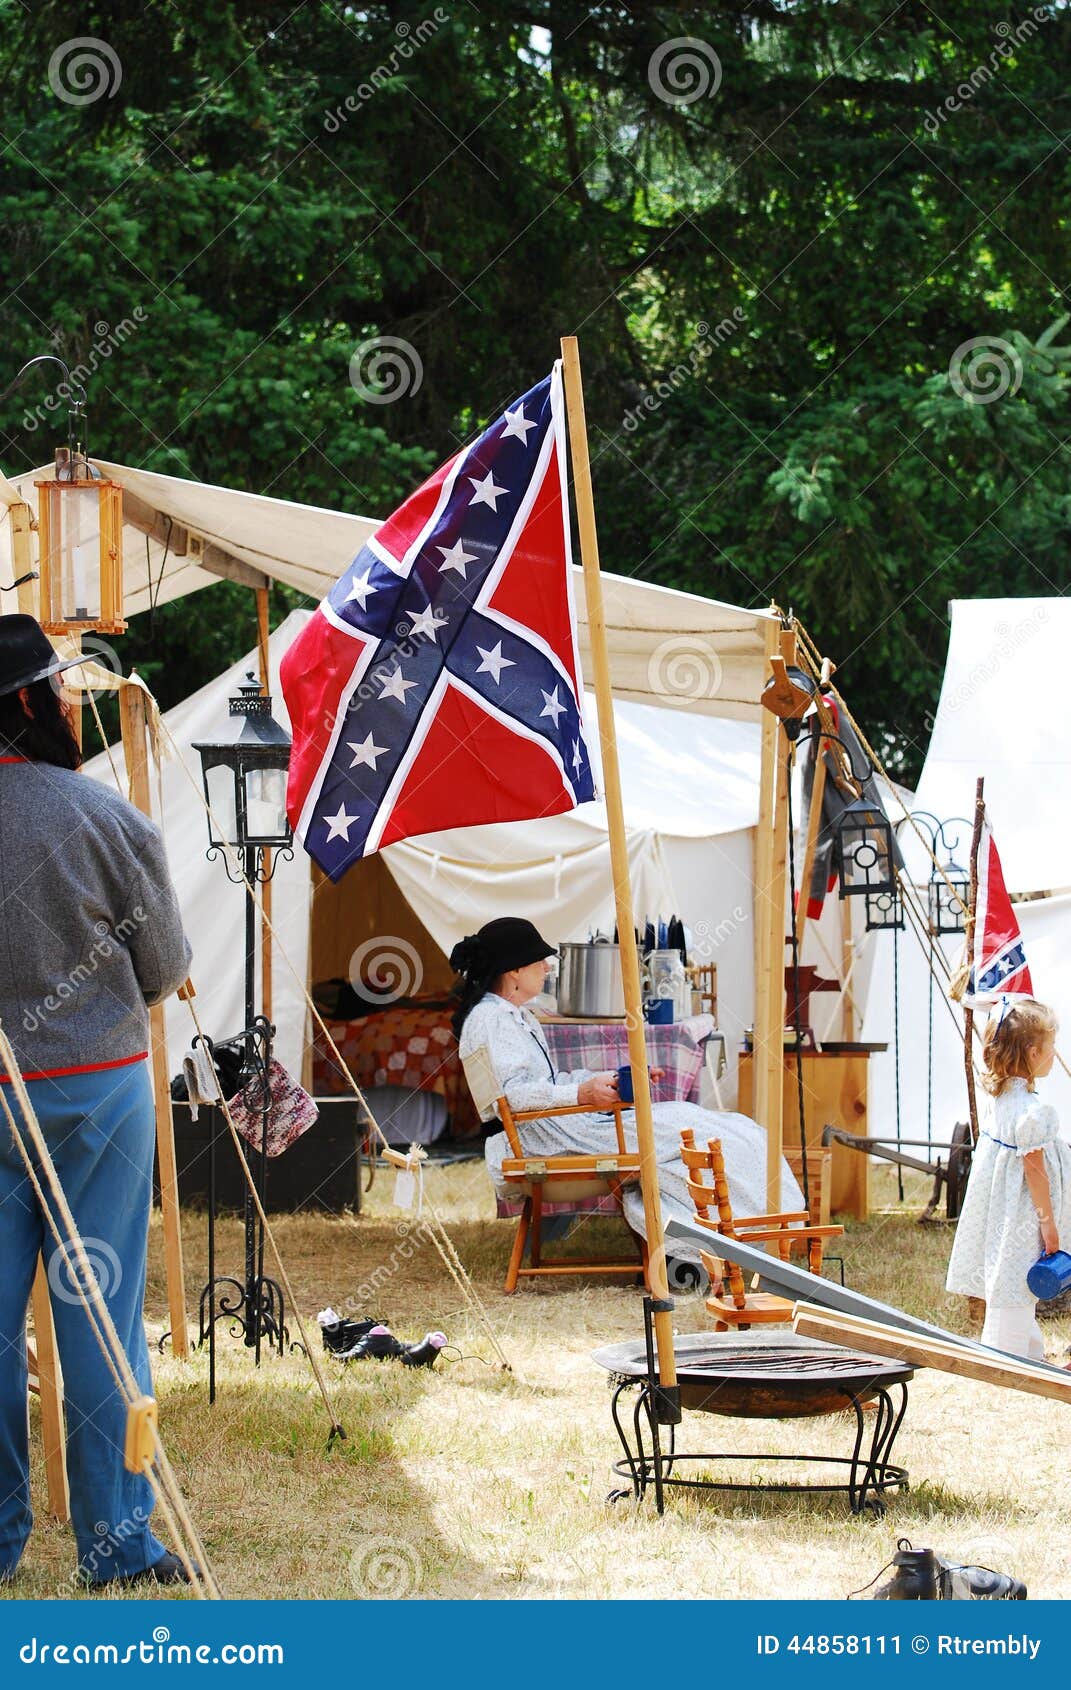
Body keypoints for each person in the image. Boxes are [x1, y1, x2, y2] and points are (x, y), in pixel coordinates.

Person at [0, 615, 193, 1588]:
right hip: (95, 1089)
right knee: (100, 1317)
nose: (74, 703)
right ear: (33, 701)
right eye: (64, 690)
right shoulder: (105, 815)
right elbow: (163, 968)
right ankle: (115, 1542)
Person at [451, 916, 805, 1270]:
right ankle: (722, 1244)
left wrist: (606, 1080)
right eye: (538, 960)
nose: (547, 966)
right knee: (689, 1134)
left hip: (557, 1127)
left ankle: (747, 1233)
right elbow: (512, 1098)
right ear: (514, 970)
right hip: (544, 1137)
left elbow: (547, 1080)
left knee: (712, 1122)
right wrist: (582, 1094)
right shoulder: (493, 1020)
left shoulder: (512, 1016)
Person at [946, 998, 1071, 1362]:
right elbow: (1034, 1171)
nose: (1053, 1055)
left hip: (1002, 1210)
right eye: (1051, 1048)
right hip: (1024, 1213)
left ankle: (1029, 1351)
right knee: (1016, 1280)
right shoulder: (1033, 1112)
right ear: (1033, 1052)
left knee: (1014, 1273)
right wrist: (1048, 1223)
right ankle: (1006, 1355)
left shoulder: (1000, 1099)